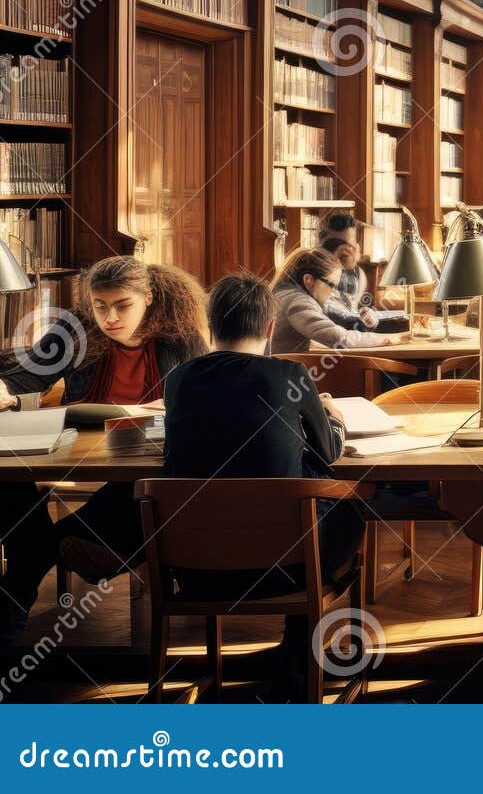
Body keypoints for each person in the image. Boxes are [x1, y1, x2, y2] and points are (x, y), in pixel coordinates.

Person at [159, 271, 363, 699]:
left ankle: (287, 658)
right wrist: (334, 419)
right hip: (287, 568)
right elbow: (328, 453)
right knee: (347, 514)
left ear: (209, 327)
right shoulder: (289, 375)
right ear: (270, 329)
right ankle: (296, 664)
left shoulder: (178, 379)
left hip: (197, 568)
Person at [0, 257, 208, 637]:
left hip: (150, 455)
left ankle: (17, 591)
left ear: (148, 297)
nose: (109, 317)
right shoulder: (76, 329)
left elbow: (202, 392)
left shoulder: (180, 334)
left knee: (140, 492)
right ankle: (53, 551)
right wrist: (7, 390)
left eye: (122, 305)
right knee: (10, 481)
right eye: (99, 306)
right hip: (81, 449)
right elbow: (29, 372)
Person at [270, 248, 397, 354]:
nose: (334, 292)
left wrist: (364, 323)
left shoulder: (285, 294)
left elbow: (333, 326)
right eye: (331, 285)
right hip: (283, 378)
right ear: (309, 280)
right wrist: (391, 339)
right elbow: (341, 339)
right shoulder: (298, 302)